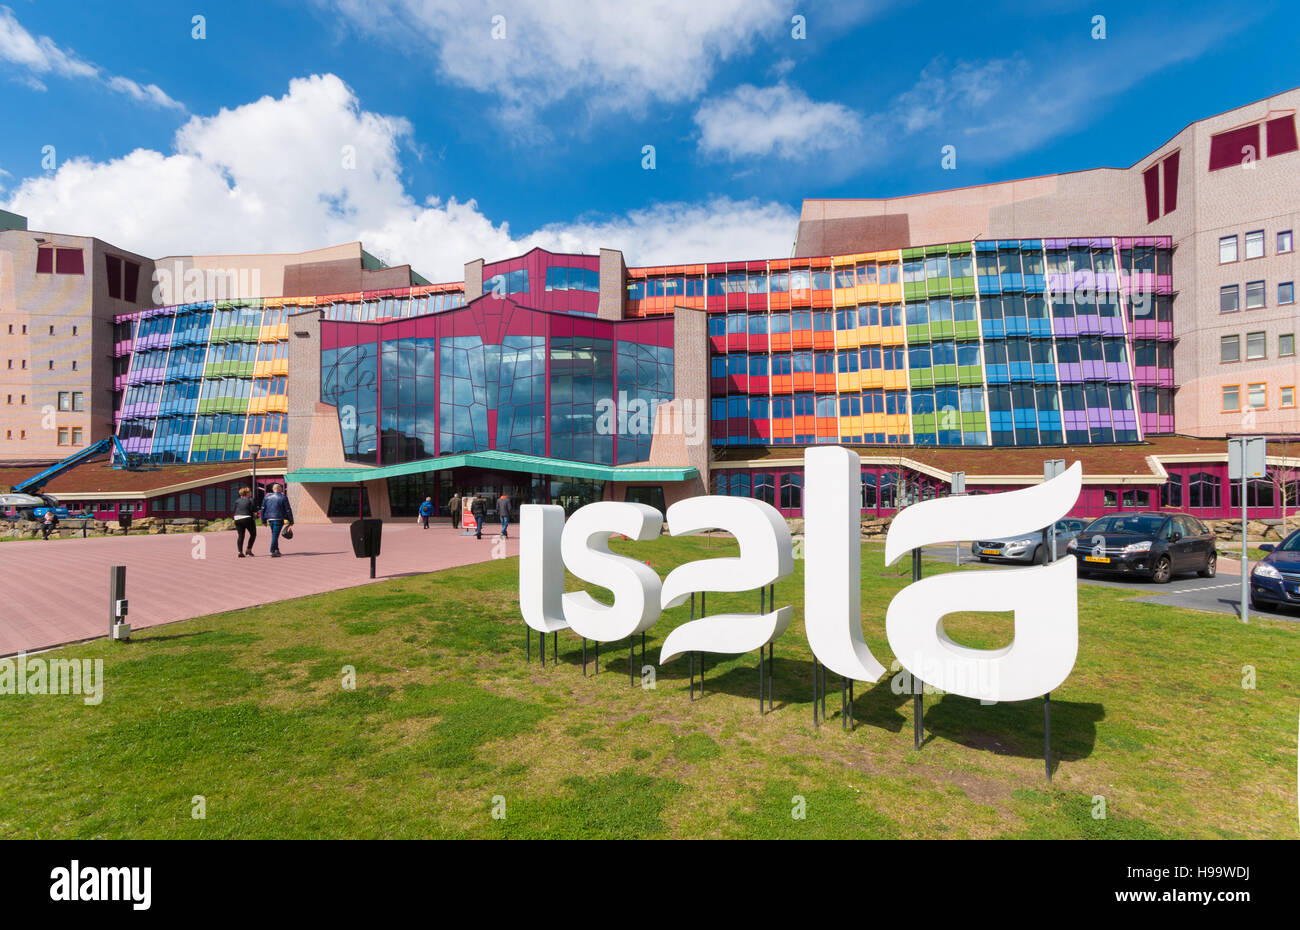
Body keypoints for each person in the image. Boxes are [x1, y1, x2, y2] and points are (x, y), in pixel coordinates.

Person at [259, 482, 295, 558]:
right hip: (279, 518)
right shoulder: (283, 497)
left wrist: (263, 521)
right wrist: (291, 520)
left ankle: (276, 549)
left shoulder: (266, 497)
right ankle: (272, 551)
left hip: (270, 519)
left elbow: (262, 509)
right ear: (280, 489)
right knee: (275, 535)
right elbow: (288, 509)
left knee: (274, 534)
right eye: (281, 488)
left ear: (273, 489)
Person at [233, 486, 257, 557]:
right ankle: (248, 549)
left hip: (237, 518)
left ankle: (240, 551)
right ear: (247, 493)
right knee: (253, 534)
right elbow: (254, 510)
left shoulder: (237, 501)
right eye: (250, 492)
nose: (251, 493)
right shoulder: (251, 500)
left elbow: (234, 510)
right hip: (247, 518)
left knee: (241, 536)